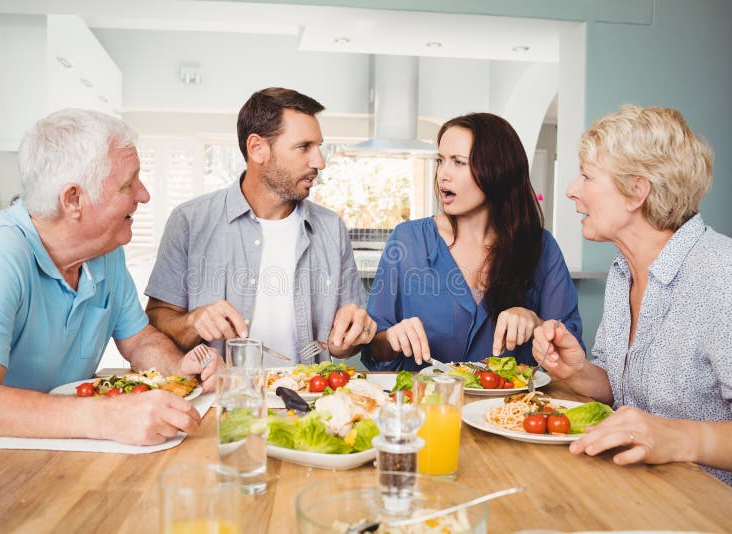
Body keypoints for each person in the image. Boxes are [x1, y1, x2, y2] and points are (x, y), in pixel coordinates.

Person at [0, 109, 222, 465]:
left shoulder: (104, 252)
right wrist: (110, 416)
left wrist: (178, 370)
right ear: (73, 200)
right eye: (129, 184)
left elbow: (140, 340)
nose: (144, 195)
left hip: (55, 447)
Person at [532, 105, 732, 485]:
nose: (572, 190)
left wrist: (682, 438)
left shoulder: (722, 275)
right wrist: (578, 372)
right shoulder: (623, 272)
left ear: (636, 191)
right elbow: (623, 394)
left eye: (587, 176)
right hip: (636, 496)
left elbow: (661, 430)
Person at [145, 88, 376, 366]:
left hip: (308, 402)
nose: (320, 162)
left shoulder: (331, 228)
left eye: (319, 147)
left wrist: (349, 341)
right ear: (257, 149)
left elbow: (347, 342)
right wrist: (194, 322)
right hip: (218, 398)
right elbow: (156, 322)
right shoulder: (190, 221)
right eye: (304, 147)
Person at [363, 113, 583, 371]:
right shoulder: (407, 241)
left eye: (458, 162)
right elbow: (373, 348)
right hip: (426, 407)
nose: (443, 174)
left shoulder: (541, 248)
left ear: (497, 170)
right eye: (440, 161)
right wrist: (391, 339)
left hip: (510, 410)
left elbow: (572, 356)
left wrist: (536, 324)